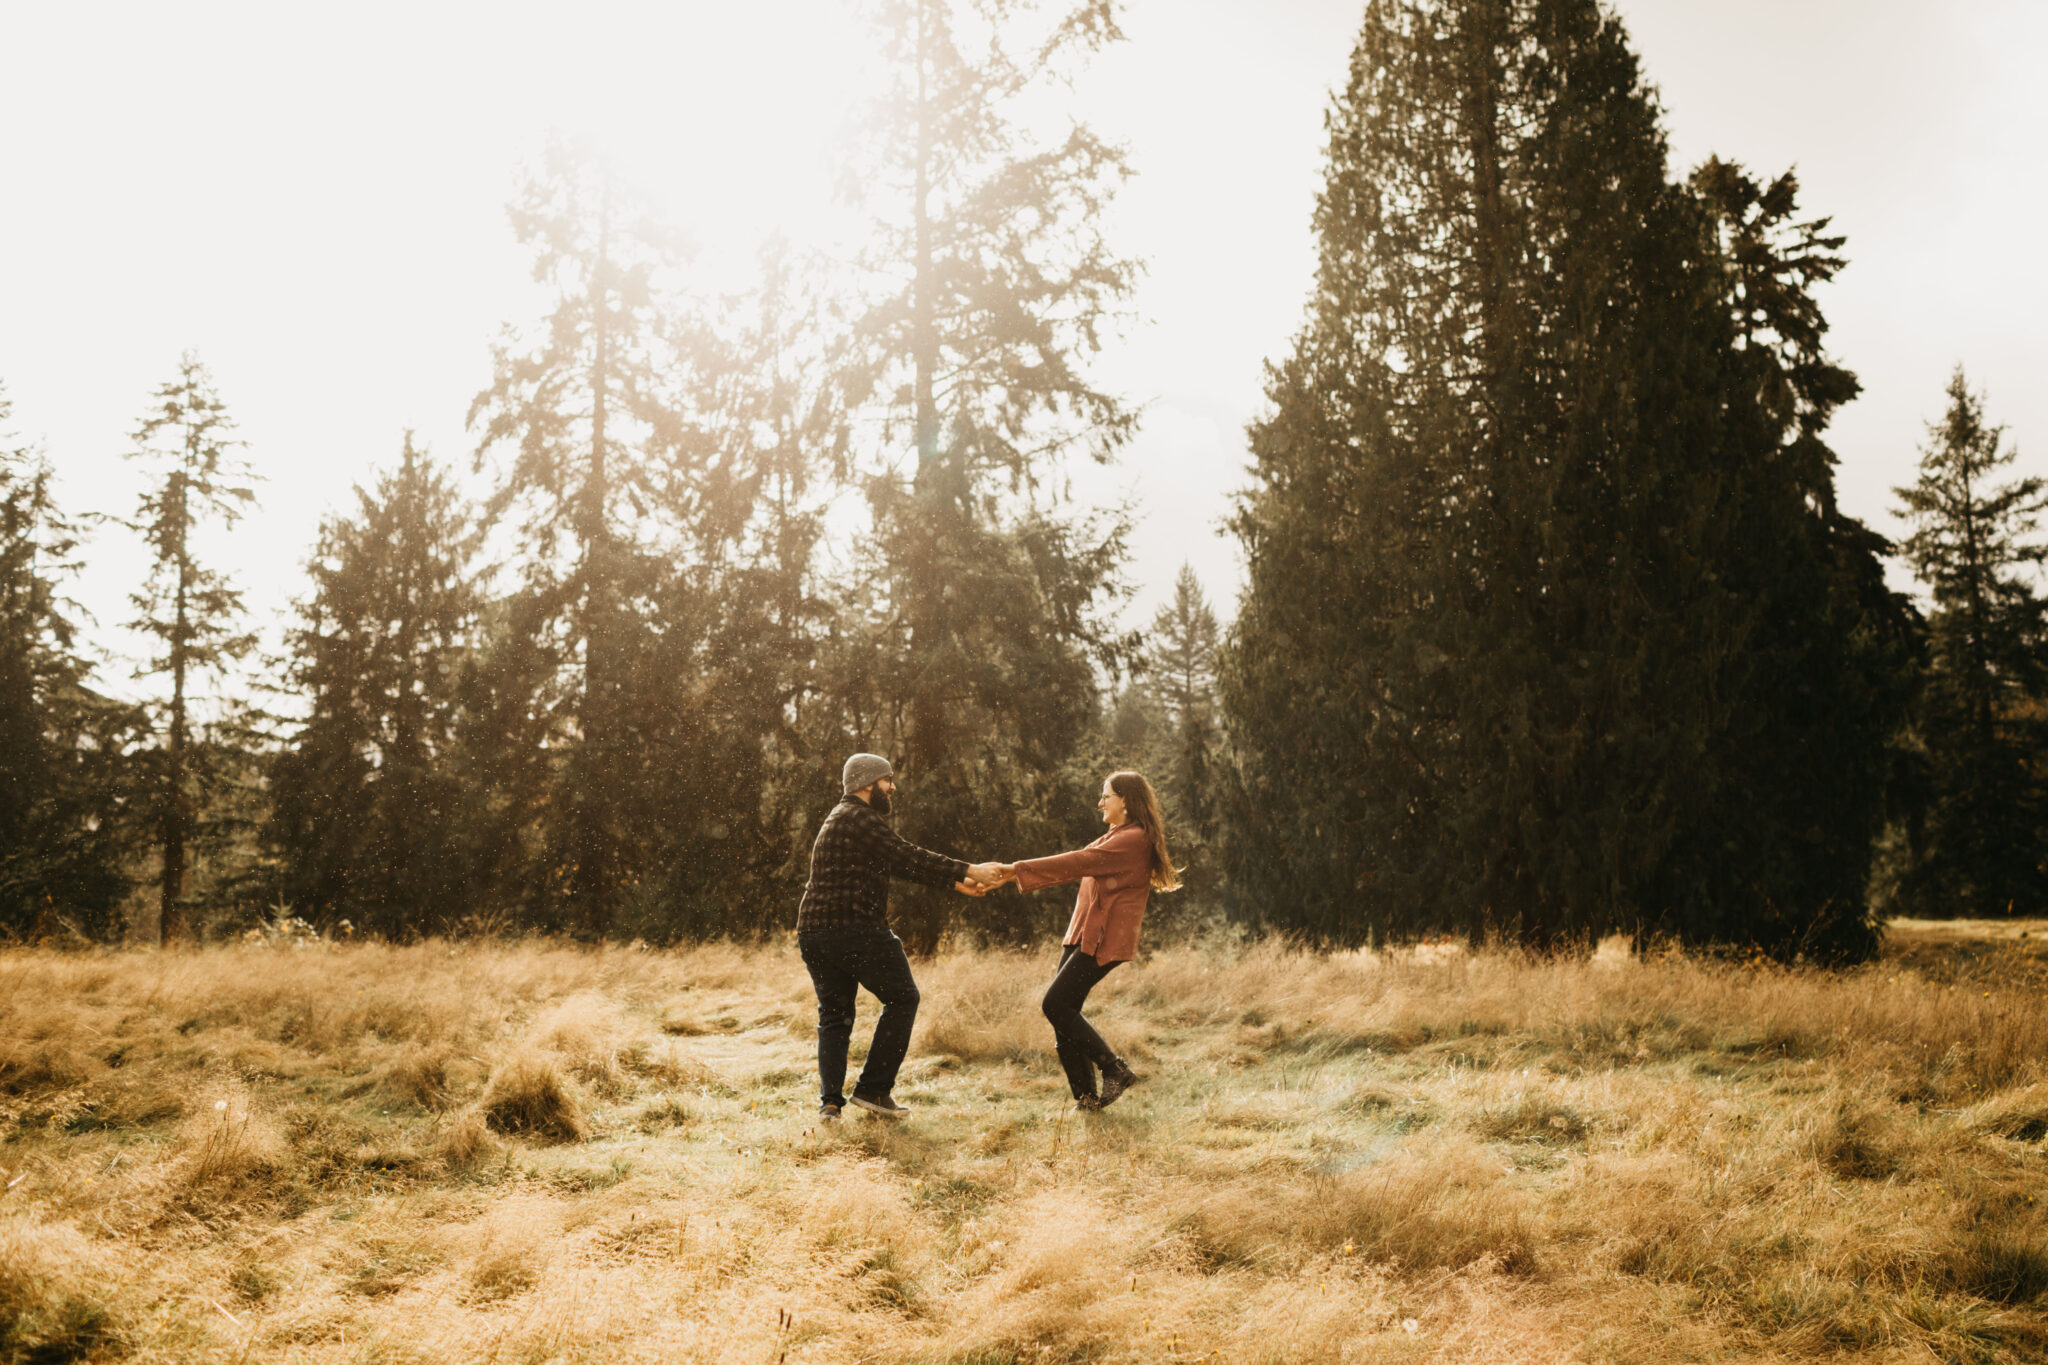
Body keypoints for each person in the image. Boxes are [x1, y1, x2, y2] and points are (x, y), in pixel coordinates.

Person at [796, 753, 1003, 1123]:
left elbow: (898, 863)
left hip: (815, 932)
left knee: (835, 1016)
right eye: (887, 780)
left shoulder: (839, 818)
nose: (893, 787)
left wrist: (956, 882)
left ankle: (830, 1104)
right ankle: (873, 1089)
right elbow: (905, 853)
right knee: (903, 998)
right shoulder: (859, 818)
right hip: (853, 929)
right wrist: (970, 869)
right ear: (866, 784)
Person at [991, 770, 1181, 1111]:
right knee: (1064, 1012)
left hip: (1103, 939)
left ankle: (1114, 1068)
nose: (1100, 802)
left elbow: (1078, 862)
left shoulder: (1133, 838)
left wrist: (1013, 870)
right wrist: (1014, 874)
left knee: (1056, 1005)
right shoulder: (1116, 834)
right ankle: (1087, 1100)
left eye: (1106, 795)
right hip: (1082, 936)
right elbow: (1078, 865)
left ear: (1125, 800)